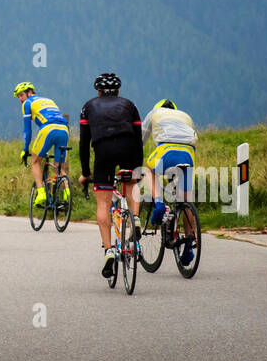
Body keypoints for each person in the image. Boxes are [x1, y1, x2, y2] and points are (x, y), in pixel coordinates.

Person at [76, 72, 144, 280]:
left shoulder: (88, 106)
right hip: (128, 148)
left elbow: (83, 144)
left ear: (98, 91)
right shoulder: (130, 105)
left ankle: (109, 250)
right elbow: (138, 139)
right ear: (118, 91)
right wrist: (137, 169)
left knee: (103, 204)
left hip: (103, 152)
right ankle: (136, 219)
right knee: (131, 185)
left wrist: (86, 173)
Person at [140, 98, 198, 267]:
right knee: (185, 200)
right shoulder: (185, 116)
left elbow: (140, 140)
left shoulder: (154, 113)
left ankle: (158, 204)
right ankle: (189, 245)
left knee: (150, 171)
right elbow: (193, 139)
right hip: (188, 154)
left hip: (167, 150)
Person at [13, 82, 71, 208]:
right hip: (64, 129)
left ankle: (41, 193)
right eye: (18, 97)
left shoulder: (27, 103)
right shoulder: (49, 100)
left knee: (35, 161)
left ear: (29, 93)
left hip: (48, 129)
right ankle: (67, 195)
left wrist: (25, 149)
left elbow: (27, 131)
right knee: (59, 167)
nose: (20, 99)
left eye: (21, 95)